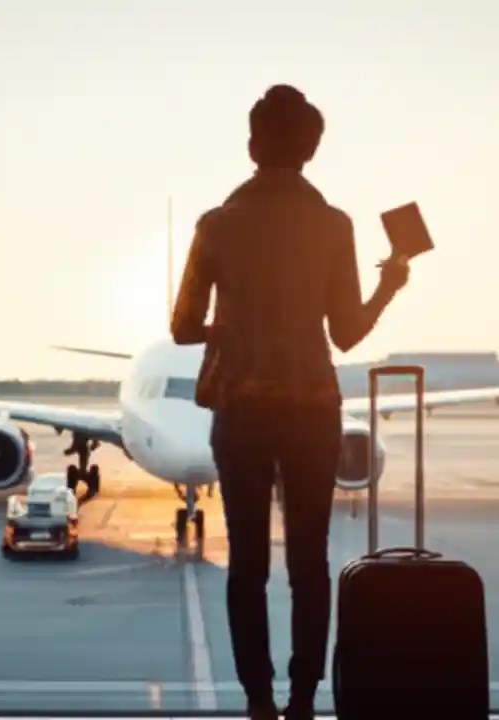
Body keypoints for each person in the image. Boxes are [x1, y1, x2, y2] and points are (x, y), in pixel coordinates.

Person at [170, 85, 410, 720]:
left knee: (245, 562)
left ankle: (258, 701)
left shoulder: (216, 225)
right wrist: (391, 282)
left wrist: (231, 327)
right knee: (311, 563)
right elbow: (347, 332)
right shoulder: (333, 226)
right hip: (311, 409)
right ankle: (304, 699)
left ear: (252, 146)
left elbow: (183, 325)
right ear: (311, 149)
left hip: (242, 411)